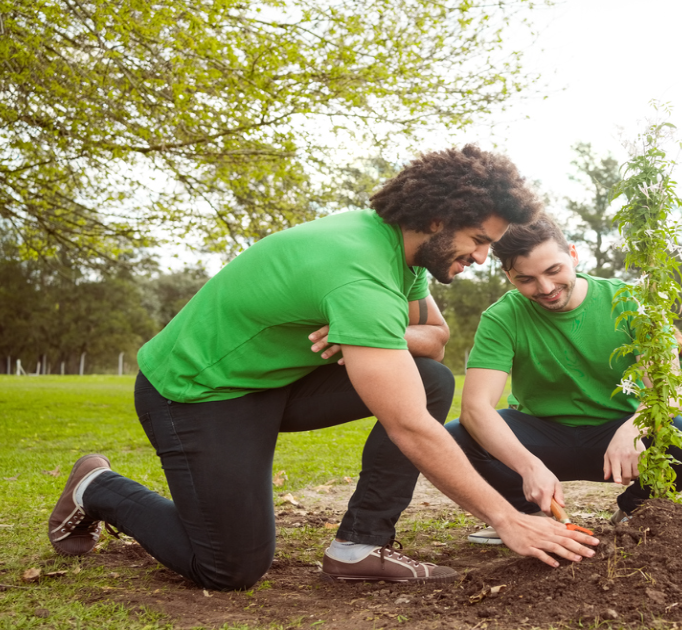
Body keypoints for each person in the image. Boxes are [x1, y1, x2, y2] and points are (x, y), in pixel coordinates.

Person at [46, 146, 599, 590]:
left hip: (275, 384)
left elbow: (433, 340)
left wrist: (380, 335)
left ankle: (359, 546)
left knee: (431, 379)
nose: (482, 259)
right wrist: (507, 518)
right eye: (479, 241)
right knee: (229, 568)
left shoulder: (401, 252)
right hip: (197, 394)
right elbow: (409, 426)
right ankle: (98, 487)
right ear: (439, 218)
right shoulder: (358, 273)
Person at [447, 214, 682, 545]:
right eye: (526, 279)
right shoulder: (502, 316)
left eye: (553, 270)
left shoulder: (630, 299)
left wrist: (633, 428)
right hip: (541, 434)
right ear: (508, 275)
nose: (545, 288)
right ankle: (522, 516)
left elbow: (668, 387)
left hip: (616, 433)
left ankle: (636, 510)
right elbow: (475, 408)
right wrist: (527, 466)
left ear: (573, 254)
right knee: (458, 436)